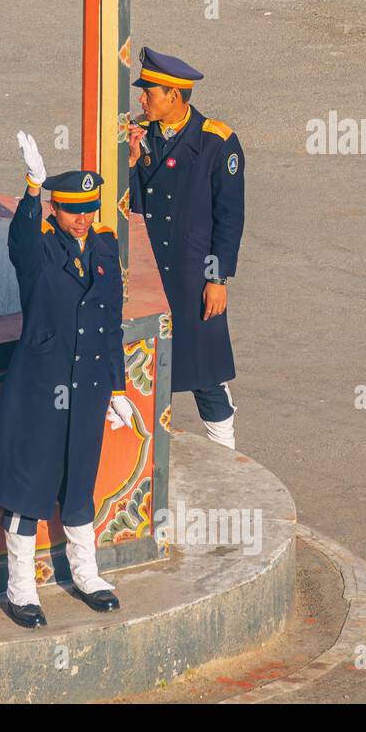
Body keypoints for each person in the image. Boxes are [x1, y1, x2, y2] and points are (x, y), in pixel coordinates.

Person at [0, 132, 138, 629]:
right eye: (72, 210)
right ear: (55, 210)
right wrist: (31, 188)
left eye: (89, 208)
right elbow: (19, 239)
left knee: (80, 487)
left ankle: (87, 576)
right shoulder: (39, 250)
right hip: (40, 391)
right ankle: (22, 590)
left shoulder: (105, 248)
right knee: (28, 491)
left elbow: (111, 321)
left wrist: (118, 386)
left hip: (86, 389)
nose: (82, 218)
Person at [126, 47, 245, 450]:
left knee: (205, 373)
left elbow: (229, 218)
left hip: (194, 276)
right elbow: (132, 208)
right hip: (147, 274)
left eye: (149, 93)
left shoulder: (217, 143)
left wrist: (218, 278)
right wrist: (129, 162)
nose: (142, 100)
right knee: (139, 369)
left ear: (174, 96)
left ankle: (226, 451)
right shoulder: (139, 136)